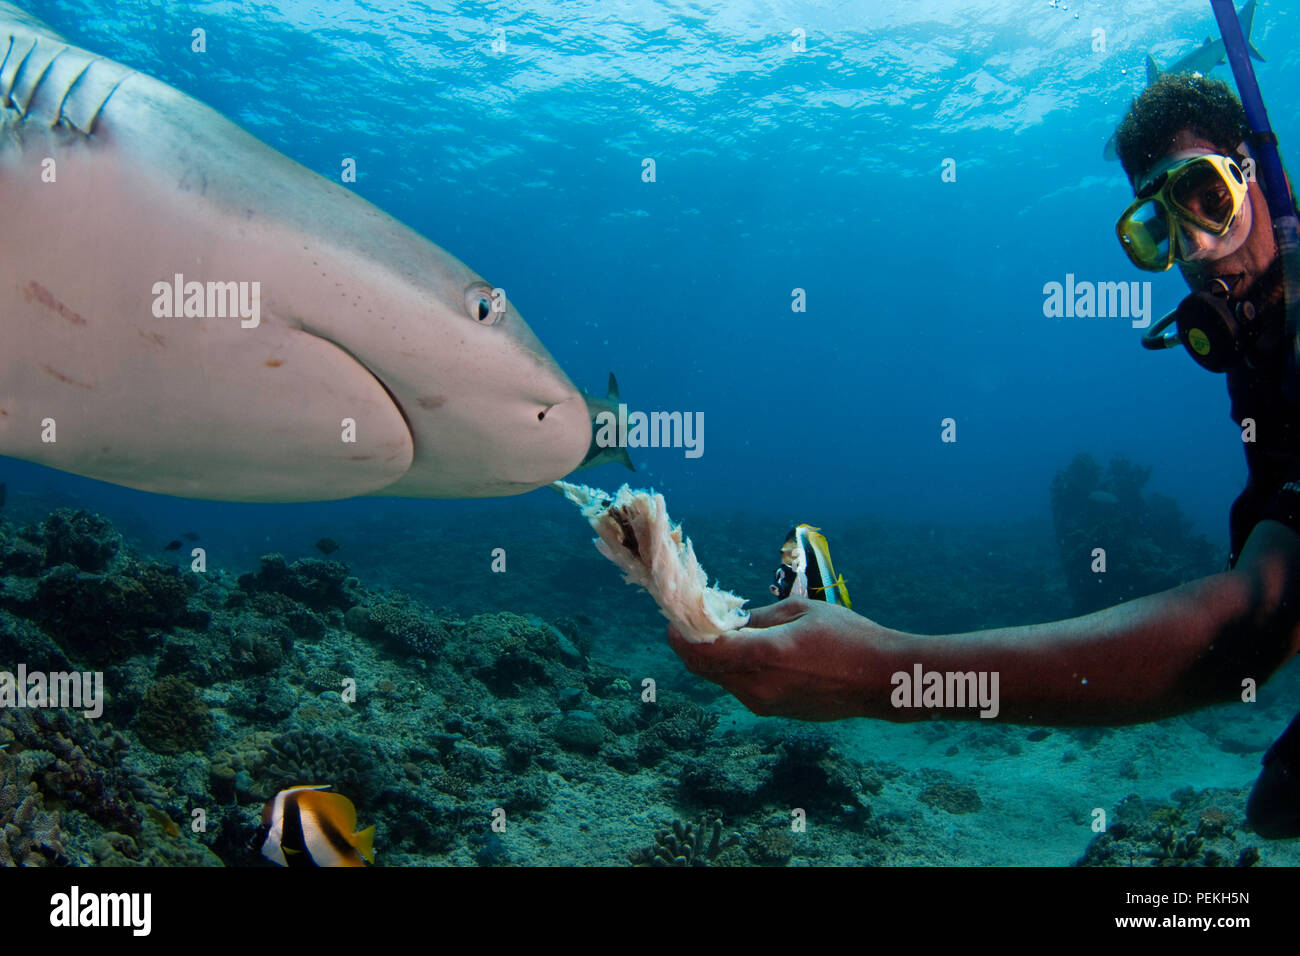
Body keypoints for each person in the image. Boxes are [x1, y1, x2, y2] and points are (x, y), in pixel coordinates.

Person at [668, 74, 1300, 837]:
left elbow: (1258, 620)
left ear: (1251, 172)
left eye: (1206, 198)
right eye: (1156, 230)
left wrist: (887, 675)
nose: (1195, 248)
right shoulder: (1263, 344)